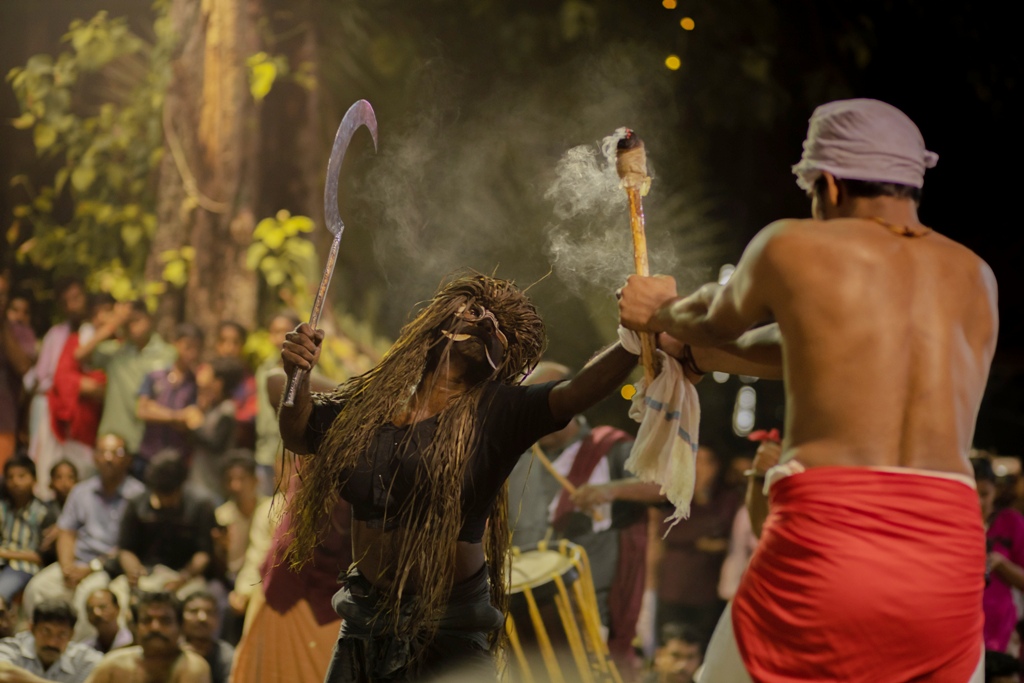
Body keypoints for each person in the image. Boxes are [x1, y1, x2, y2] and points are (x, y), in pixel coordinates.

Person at [619, 98, 997, 681]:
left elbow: (718, 316)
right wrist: (697, 353)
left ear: (828, 184)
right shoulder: (976, 276)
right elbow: (807, 343)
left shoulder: (791, 244)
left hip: (833, 538)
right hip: (948, 554)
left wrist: (660, 309)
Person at [278, 272, 639, 681]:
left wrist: (632, 338)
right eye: (475, 311)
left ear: (501, 363)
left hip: (450, 629)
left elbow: (577, 392)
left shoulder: (499, 414)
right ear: (436, 324)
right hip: (365, 620)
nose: (485, 323)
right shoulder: (368, 407)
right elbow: (299, 434)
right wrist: (299, 374)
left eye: (498, 331)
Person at [507, 360, 664, 670]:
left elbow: (665, 487)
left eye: (543, 403)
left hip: (588, 605)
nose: (533, 414)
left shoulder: (607, 447)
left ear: (569, 401)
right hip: (522, 602)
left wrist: (612, 489)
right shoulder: (516, 455)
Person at [21, 432, 144, 643]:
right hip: (77, 561)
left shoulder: (138, 495)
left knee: (88, 598)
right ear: (94, 457)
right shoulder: (81, 491)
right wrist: (67, 567)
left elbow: (128, 546)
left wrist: (92, 568)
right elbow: (67, 532)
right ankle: (42, 647)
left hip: (111, 568)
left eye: (116, 453)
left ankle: (76, 657)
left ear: (128, 459)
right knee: (38, 588)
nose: (108, 458)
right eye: (103, 452)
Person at [111, 450, 217, 608]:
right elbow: (125, 548)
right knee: (118, 598)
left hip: (185, 577)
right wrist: (135, 572)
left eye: (168, 495)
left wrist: (183, 578)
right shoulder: (137, 503)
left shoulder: (200, 505)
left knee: (195, 604)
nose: (162, 499)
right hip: (146, 573)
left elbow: (204, 553)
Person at [23, 278, 89, 496]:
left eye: (77, 298)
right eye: (67, 301)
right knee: (44, 464)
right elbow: (38, 378)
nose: (73, 306)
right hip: (50, 409)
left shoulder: (93, 333)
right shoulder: (56, 334)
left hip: (82, 413)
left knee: (80, 467)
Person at [93, 300, 176, 460]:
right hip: (115, 443)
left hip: (153, 444)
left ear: (150, 319)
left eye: (136, 320)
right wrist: (114, 323)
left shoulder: (169, 354)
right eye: (128, 322)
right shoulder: (114, 353)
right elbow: (80, 355)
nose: (132, 326)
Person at [84, 591, 211, 683]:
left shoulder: (193, 668)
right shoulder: (114, 665)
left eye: (165, 621)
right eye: (146, 620)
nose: (155, 627)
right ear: (134, 627)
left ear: (180, 627)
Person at [135, 323, 203, 481]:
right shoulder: (155, 375)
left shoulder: (194, 383)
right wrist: (175, 416)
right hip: (149, 454)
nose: (191, 353)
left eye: (196, 348)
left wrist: (156, 409)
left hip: (176, 457)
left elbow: (191, 420)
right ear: (176, 343)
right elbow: (142, 411)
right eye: (187, 346)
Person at [975, 455, 1024, 654]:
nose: (978, 501)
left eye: (985, 494)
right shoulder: (956, 524)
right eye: (972, 493)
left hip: (1001, 638)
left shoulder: (1010, 522)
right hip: (961, 631)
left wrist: (1001, 564)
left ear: (996, 490)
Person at [0, 599, 102, 683]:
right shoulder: (12, 647)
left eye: (62, 634)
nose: (52, 642)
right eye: (46, 631)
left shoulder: (83, 658)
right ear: (32, 628)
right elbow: (3, 673)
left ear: (72, 634)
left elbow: (111, 668)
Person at [0, 453, 54, 603]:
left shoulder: (44, 512)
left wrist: (5, 553)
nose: (15, 482)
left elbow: (41, 557)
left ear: (34, 479)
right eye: (10, 477)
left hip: (24, 567)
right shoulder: (4, 507)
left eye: (21, 476)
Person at [0, 270, 37, 466]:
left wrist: (2, 324)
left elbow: (24, 367)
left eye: (2, 294)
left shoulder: (20, 333)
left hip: (4, 423)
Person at [181, 592, 234, 683]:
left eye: (209, 612)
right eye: (194, 611)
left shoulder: (226, 655)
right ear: (180, 617)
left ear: (218, 620)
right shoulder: (170, 651)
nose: (202, 618)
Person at [82, 588, 132, 654]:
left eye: (102, 607)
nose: (96, 613)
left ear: (117, 608)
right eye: (90, 609)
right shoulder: (84, 650)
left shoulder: (131, 642)